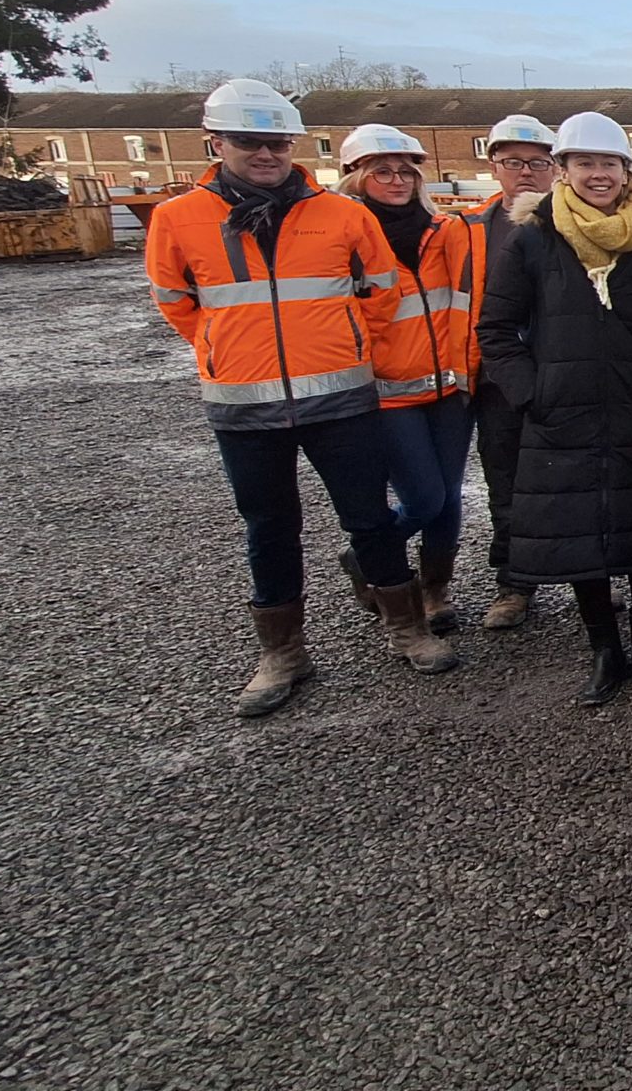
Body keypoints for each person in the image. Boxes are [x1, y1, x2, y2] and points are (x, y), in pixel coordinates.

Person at [146, 79, 455, 716]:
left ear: (293, 145)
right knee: (269, 526)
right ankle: (283, 652)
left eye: (277, 143)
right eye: (248, 141)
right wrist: (225, 347)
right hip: (243, 403)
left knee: (368, 517)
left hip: (341, 397)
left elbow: (380, 291)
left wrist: (343, 348)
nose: (265, 154)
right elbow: (176, 302)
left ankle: (407, 628)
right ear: (217, 142)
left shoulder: (342, 216)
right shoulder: (179, 218)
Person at [479, 112, 632, 706]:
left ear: (627, 170)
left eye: (610, 164)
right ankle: (604, 651)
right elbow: (496, 328)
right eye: (585, 163)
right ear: (563, 171)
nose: (599, 175)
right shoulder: (534, 238)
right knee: (576, 536)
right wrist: (531, 393)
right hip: (560, 414)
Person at [333, 124, 478, 636]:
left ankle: (434, 591)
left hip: (448, 389)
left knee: (450, 496)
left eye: (404, 172)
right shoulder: (345, 239)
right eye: (382, 172)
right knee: (424, 498)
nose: (396, 180)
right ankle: (368, 554)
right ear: (356, 177)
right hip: (389, 392)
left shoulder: (444, 231)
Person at [464, 114, 555, 630]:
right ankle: (514, 584)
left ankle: (589, 574)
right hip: (500, 379)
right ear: (494, 165)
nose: (525, 172)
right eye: (513, 162)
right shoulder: (469, 229)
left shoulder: (573, 223)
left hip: (566, 377)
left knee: (574, 482)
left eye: (537, 162)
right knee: (506, 483)